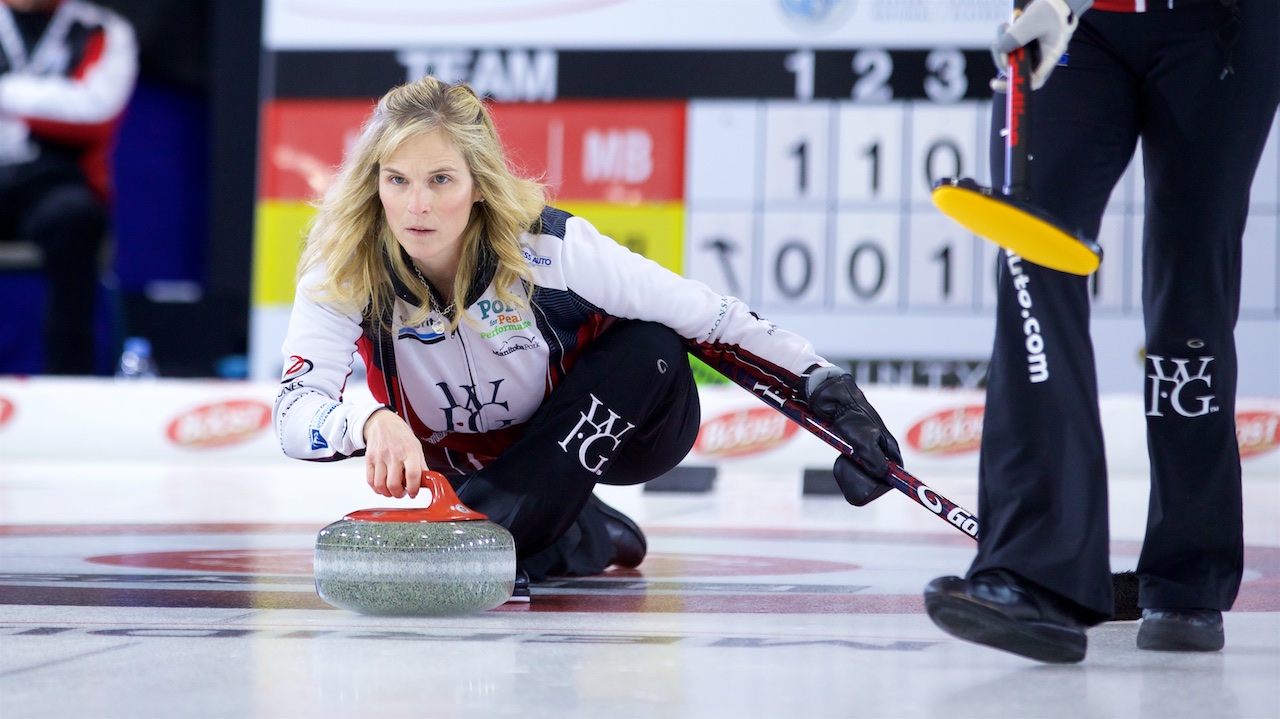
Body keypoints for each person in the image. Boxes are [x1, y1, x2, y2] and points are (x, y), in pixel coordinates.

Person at [272, 75, 902, 596]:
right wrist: (367, 419)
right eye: (397, 180)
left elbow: (710, 319)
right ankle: (572, 530)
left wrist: (829, 393)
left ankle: (501, 531)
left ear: (479, 185)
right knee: (524, 519)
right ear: (374, 182)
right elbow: (294, 413)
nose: (417, 207)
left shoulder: (552, 247)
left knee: (651, 338)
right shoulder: (345, 266)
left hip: (631, 428)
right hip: (473, 462)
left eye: (441, 179)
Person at [918, 0, 1279, 662]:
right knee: (1032, 251)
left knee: (1191, 287)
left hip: (1217, 26)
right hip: (1077, 22)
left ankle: (1186, 574)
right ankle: (1033, 572)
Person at [0, 0, 136, 375]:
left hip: (53, 182)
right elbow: (74, 103)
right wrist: (51, 99)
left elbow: (96, 111)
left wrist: (7, 93)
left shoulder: (102, 31)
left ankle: (68, 382)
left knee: (77, 218)